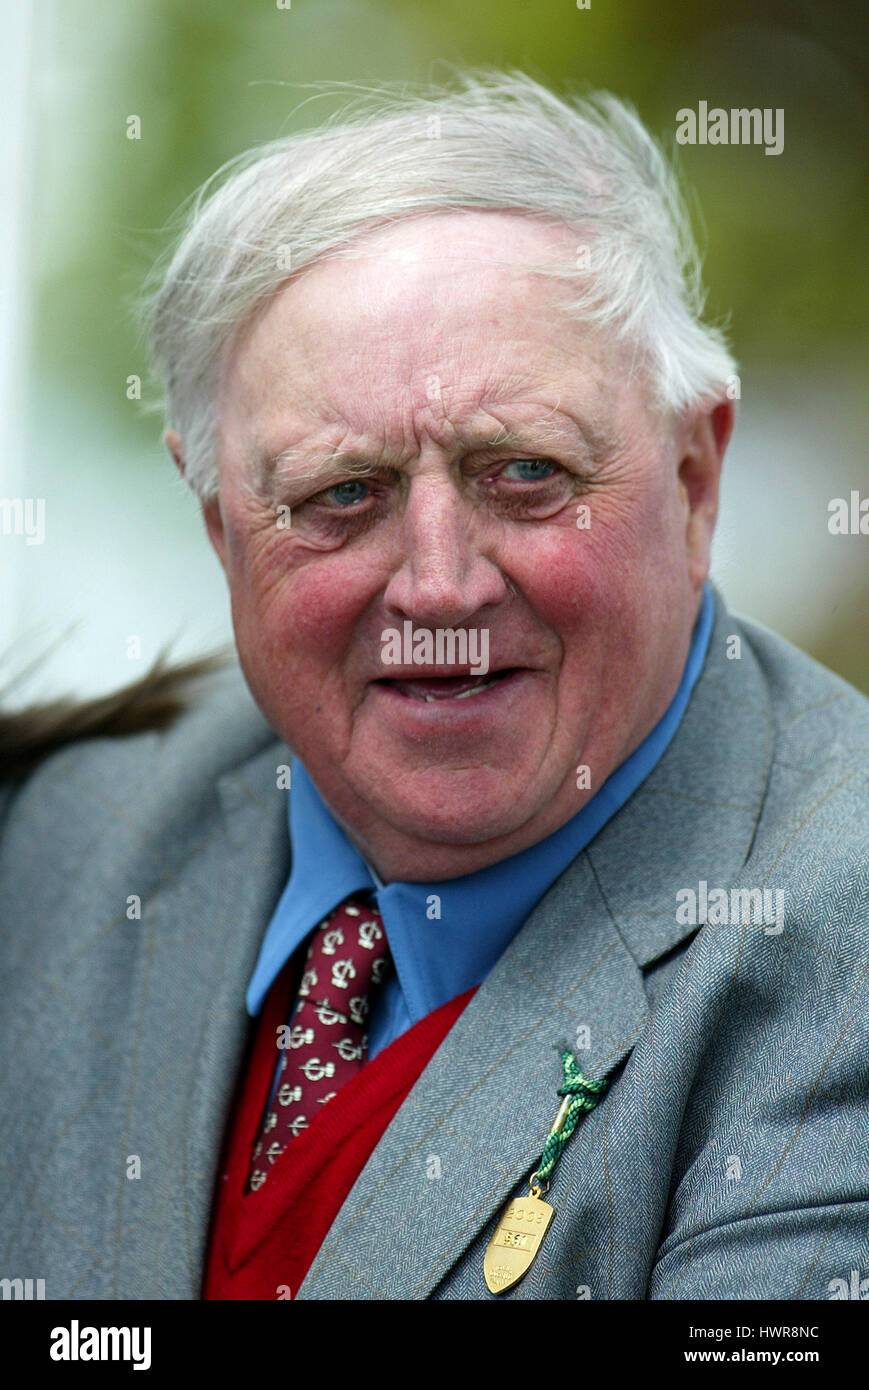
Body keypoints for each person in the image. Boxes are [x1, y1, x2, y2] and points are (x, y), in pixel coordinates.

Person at [1, 71, 866, 1302]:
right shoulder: (49, 852)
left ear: (691, 479)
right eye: (339, 495)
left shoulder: (839, 950)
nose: (439, 586)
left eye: (522, 471)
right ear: (217, 530)